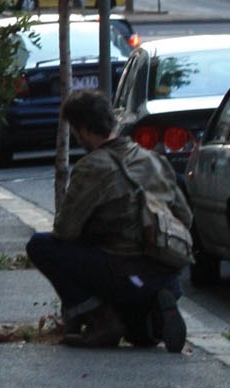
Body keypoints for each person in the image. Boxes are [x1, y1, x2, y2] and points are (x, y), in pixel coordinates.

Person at [25, 87, 192, 350]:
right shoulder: (152, 159)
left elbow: (65, 231)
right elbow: (185, 216)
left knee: (41, 246)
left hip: (122, 270)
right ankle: (153, 307)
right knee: (138, 336)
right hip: (162, 270)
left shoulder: (92, 167)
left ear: (83, 129)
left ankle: (101, 319)